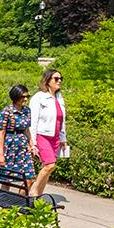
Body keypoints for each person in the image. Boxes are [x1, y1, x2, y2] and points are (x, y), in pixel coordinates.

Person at [28, 68, 67, 201]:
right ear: (48, 80)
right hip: (42, 135)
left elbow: (61, 120)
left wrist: (63, 138)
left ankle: (38, 197)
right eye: (56, 78)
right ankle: (33, 191)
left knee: (48, 169)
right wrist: (32, 142)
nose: (59, 81)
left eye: (61, 78)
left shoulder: (59, 98)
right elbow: (33, 121)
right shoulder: (39, 97)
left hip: (55, 137)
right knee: (50, 165)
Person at [0, 84, 36, 188]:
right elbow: (1, 133)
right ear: (15, 96)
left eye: (27, 96)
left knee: (29, 178)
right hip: (9, 147)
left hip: (23, 147)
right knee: (7, 179)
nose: (25, 99)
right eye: (23, 96)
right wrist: (1, 155)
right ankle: (6, 198)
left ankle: (21, 197)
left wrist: (32, 145)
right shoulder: (6, 112)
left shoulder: (27, 110)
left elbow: (27, 130)